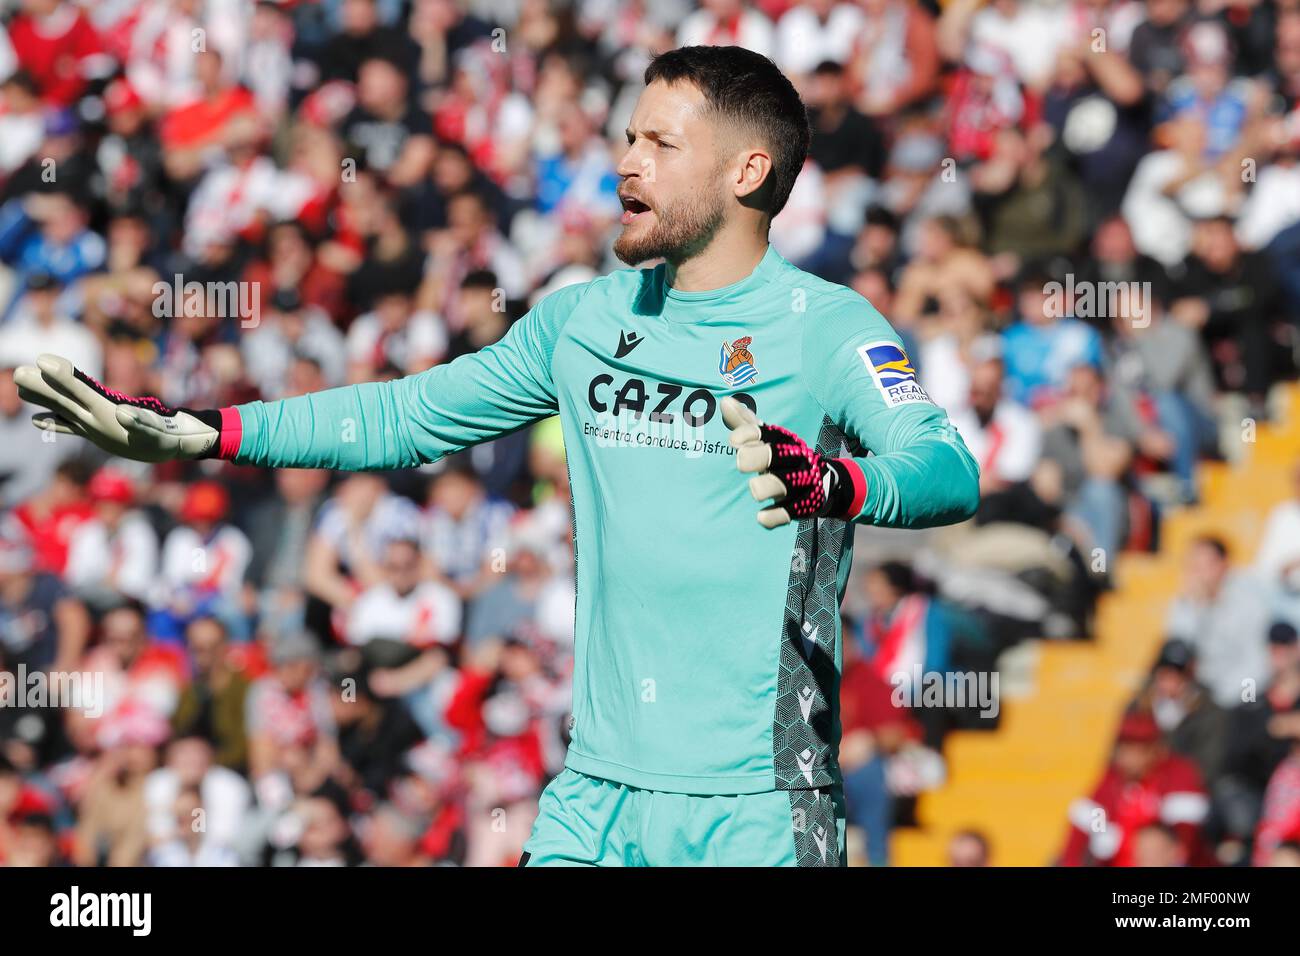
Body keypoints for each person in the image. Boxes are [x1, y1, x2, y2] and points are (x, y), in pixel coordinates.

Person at [14, 46, 980, 867]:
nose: (626, 163)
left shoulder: (826, 327)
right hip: (594, 796)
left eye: (660, 144)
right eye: (629, 136)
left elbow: (946, 467)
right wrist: (212, 431)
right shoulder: (582, 319)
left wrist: (840, 485)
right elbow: (406, 416)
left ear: (746, 174)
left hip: (756, 805)